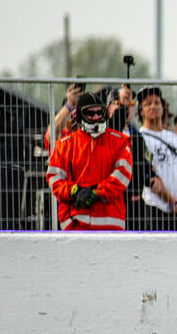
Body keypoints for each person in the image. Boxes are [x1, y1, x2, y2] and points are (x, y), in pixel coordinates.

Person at [45, 90, 132, 231]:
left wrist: (96, 192)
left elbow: (123, 175)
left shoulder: (120, 141)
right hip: (74, 226)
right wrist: (74, 191)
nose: (96, 116)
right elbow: (54, 178)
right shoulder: (64, 145)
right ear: (79, 115)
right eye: (90, 113)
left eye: (99, 112)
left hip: (111, 227)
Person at [131, 85, 177, 230]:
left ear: (163, 106)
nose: (153, 106)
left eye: (157, 102)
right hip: (155, 207)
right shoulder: (139, 138)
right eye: (148, 104)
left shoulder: (172, 137)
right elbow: (152, 180)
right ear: (141, 110)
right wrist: (173, 201)